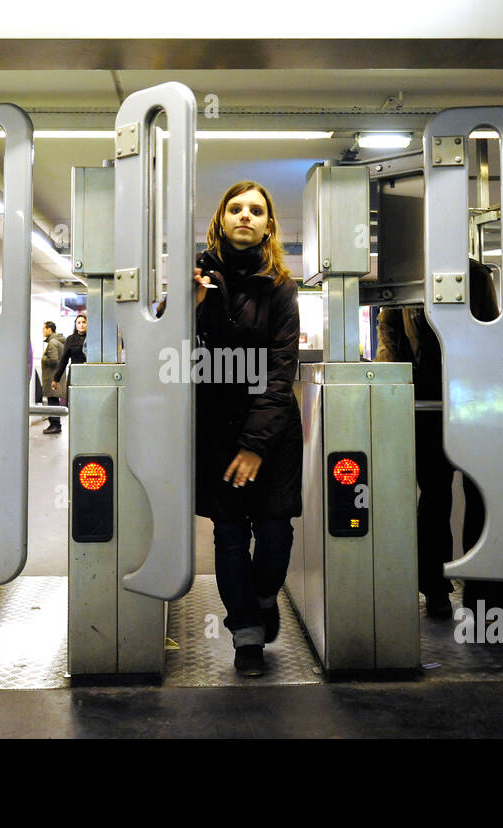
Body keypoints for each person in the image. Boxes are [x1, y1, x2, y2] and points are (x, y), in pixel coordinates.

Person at [191, 181, 302, 677]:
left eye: (256, 210)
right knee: (230, 534)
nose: (245, 216)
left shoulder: (281, 287)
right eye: (235, 208)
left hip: (272, 430)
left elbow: (281, 370)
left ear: (268, 225)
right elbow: (164, 349)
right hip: (216, 429)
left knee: (275, 533)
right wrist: (188, 308)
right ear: (221, 219)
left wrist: (256, 444)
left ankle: (262, 596)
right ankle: (247, 637)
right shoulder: (195, 279)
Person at [375, 259, 501, 618]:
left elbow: (489, 331)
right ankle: (437, 586)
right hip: (427, 406)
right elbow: (390, 343)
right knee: (436, 497)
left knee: (474, 495)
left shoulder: (472, 273)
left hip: (469, 402)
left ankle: (478, 586)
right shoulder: (405, 272)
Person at [51, 312, 88, 402]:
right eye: (79, 323)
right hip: (75, 373)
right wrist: (56, 379)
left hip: (89, 373)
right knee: (74, 401)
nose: (81, 325)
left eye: (84, 322)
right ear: (75, 325)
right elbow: (64, 360)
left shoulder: (93, 338)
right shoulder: (70, 339)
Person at [39, 321, 66, 434]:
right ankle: (55, 424)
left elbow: (54, 360)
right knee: (54, 401)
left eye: (44, 328)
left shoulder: (53, 342)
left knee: (53, 401)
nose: (42, 331)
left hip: (52, 378)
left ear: (49, 329)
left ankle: (55, 425)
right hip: (55, 377)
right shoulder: (58, 341)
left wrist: (43, 358)